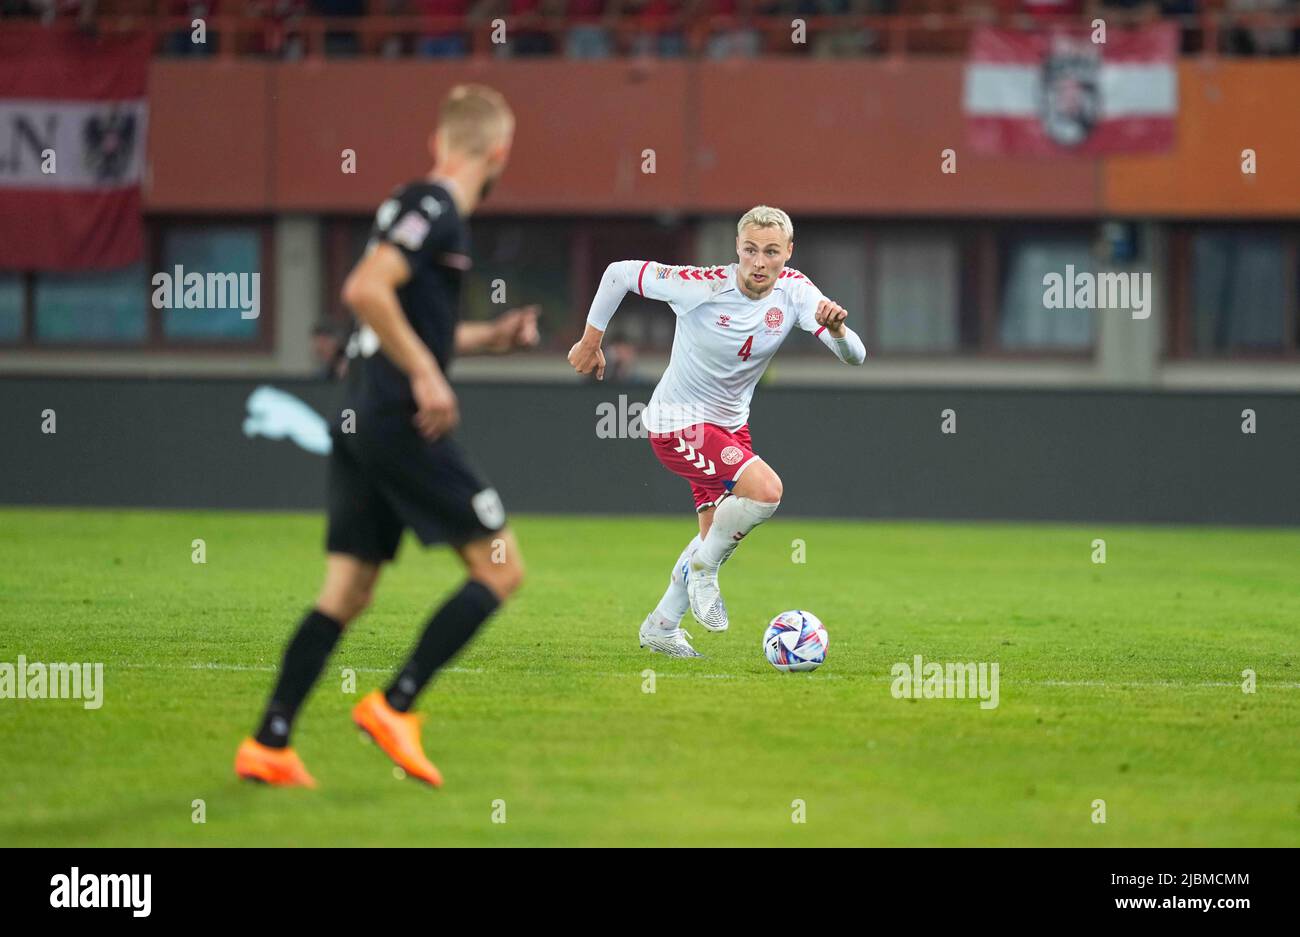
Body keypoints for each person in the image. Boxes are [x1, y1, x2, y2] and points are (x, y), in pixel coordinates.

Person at [235, 85, 537, 788]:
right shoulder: (438, 209)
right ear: (498, 153)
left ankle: (269, 741)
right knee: (501, 566)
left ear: (438, 140)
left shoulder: (415, 206)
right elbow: (365, 289)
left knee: (347, 590)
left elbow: (397, 315)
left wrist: (486, 337)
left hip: (361, 412)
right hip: (400, 418)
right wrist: (429, 374)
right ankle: (395, 705)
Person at [567, 206, 866, 657]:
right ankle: (704, 572)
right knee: (766, 492)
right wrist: (591, 341)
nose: (759, 262)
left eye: (770, 251)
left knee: (715, 536)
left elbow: (855, 357)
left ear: (788, 252)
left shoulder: (796, 292)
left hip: (728, 429)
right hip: (676, 425)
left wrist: (838, 331)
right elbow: (619, 273)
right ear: (737, 249)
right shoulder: (702, 286)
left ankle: (662, 626)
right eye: (750, 250)